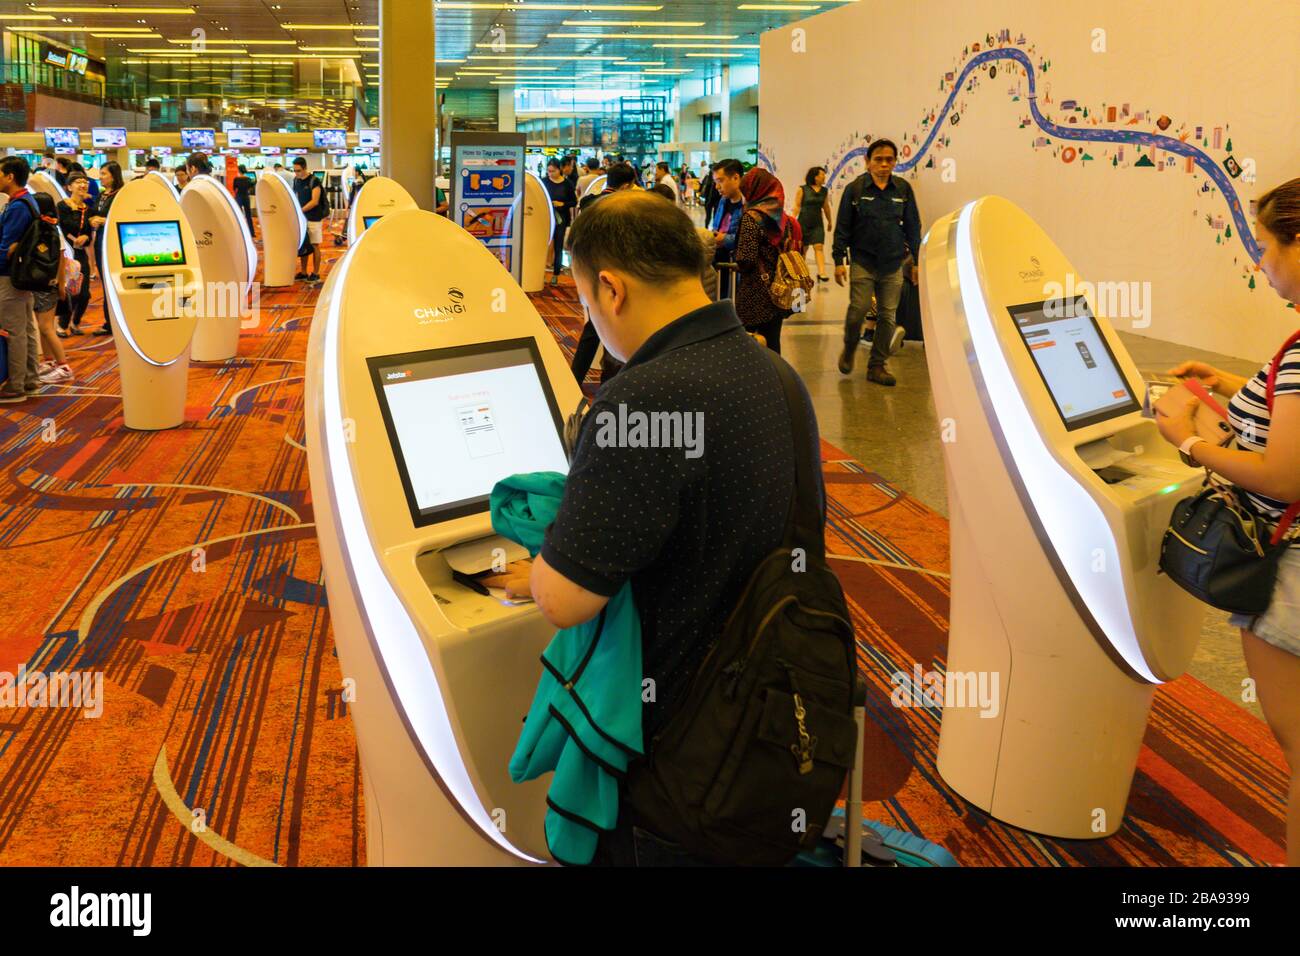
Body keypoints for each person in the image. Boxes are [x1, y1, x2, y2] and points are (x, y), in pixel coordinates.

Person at [482, 189, 822, 866]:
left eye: (581, 299)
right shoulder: (771, 369)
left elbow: (566, 598)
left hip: (676, 743)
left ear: (610, 288)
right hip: (771, 703)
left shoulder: (645, 395)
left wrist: (543, 563)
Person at [1155, 177, 1300, 866]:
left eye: (1267, 246)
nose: (1259, 262)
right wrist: (1223, 389)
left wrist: (1188, 442)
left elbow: (1282, 475)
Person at [833, 138, 921, 387]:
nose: (884, 164)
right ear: (867, 162)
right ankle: (850, 348)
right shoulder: (856, 189)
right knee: (858, 310)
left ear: (895, 162)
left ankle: (877, 365)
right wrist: (839, 259)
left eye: (889, 160)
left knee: (887, 317)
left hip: (893, 263)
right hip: (863, 260)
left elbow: (913, 226)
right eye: (878, 159)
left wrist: (916, 260)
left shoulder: (902, 190)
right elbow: (842, 226)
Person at [571, 162, 639, 384]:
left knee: (593, 328)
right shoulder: (623, 209)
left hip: (589, 271)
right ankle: (608, 382)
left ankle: (576, 377)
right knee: (615, 328)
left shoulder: (588, 203)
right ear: (626, 185)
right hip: (614, 275)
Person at [733, 167, 801, 355]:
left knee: (752, 343)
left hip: (755, 290)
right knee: (772, 341)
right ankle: (776, 378)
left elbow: (745, 258)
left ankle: (759, 380)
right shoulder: (784, 219)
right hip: (778, 289)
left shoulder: (751, 218)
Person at [0, 157, 40, 402]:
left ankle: (16, 386)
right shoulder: (29, 200)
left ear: (10, 176)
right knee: (26, 328)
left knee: (15, 331)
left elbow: (6, 248)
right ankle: (29, 378)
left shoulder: (16, 207)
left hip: (9, 277)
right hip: (23, 275)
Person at [30, 190, 74, 384]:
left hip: (50, 284)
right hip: (40, 283)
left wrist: (60, 284)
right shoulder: (41, 227)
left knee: (47, 327)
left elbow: (61, 260)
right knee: (41, 326)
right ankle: (48, 362)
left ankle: (64, 366)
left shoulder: (52, 229)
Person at [56, 173, 94, 338]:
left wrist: (86, 237)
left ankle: (75, 322)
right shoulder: (63, 206)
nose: (83, 185)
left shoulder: (88, 209)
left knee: (84, 293)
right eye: (78, 182)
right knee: (71, 291)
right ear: (69, 187)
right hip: (66, 253)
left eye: (85, 182)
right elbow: (64, 227)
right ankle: (62, 325)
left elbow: (88, 234)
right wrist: (74, 237)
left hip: (80, 253)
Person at [89, 161, 123, 336]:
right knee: (105, 283)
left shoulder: (121, 194)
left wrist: (104, 221)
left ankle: (117, 322)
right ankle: (109, 321)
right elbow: (94, 213)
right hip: (100, 241)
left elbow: (123, 218)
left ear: (113, 175)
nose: (100, 177)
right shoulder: (102, 195)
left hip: (114, 243)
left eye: (104, 174)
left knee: (115, 283)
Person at [709, 159, 746, 298]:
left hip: (737, 265)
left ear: (736, 178)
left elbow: (748, 238)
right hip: (720, 260)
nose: (717, 187)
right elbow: (717, 226)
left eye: (720, 181)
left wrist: (725, 239)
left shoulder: (748, 205)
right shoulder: (723, 201)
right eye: (715, 182)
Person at [794, 166, 833, 283]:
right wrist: (792, 221)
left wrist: (830, 221)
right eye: (822, 174)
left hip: (817, 223)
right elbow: (797, 206)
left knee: (819, 247)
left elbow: (826, 207)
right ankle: (801, 273)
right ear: (815, 177)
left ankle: (822, 273)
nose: (824, 176)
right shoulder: (803, 189)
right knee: (803, 249)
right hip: (803, 223)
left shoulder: (824, 191)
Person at [541, 159, 577, 286]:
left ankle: (556, 274)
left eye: (553, 171)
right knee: (543, 245)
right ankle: (541, 273)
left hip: (561, 218)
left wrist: (562, 204)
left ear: (559, 169)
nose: (550, 173)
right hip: (546, 217)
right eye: (549, 171)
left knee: (558, 246)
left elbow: (574, 202)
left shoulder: (567, 184)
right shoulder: (544, 182)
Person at [291, 156, 325, 283]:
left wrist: (300, 210)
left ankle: (315, 273)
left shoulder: (314, 181)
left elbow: (315, 201)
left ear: (305, 168)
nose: (296, 173)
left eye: (298, 170)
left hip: (314, 217)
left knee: (315, 245)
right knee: (303, 245)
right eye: (294, 170)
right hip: (302, 218)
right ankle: (304, 272)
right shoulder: (296, 180)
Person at [232, 164, 255, 233]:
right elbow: (251, 187)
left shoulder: (236, 179)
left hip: (239, 197)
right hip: (246, 197)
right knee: (248, 215)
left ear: (239, 170)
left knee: (238, 214)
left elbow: (234, 188)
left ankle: (239, 231)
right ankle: (251, 232)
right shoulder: (249, 179)